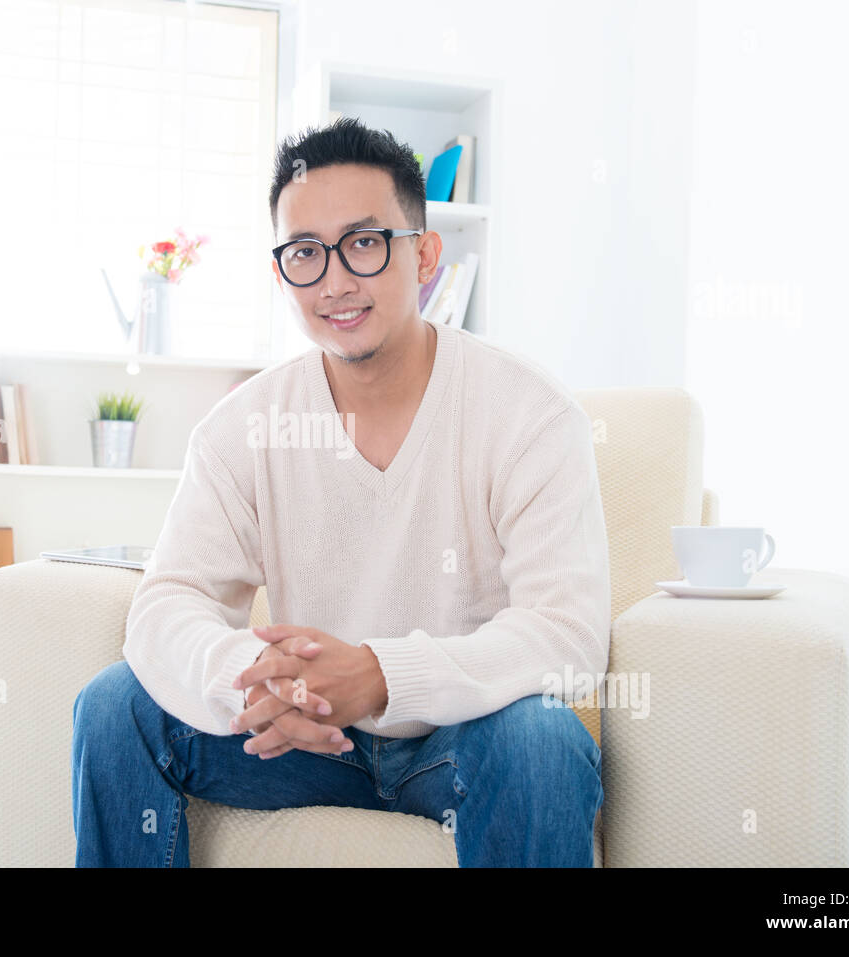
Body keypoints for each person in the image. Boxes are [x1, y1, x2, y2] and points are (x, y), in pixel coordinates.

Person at [72, 116, 611, 867]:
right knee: (113, 704)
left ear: (424, 254)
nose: (334, 279)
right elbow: (167, 605)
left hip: (462, 738)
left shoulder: (529, 413)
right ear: (281, 270)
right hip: (303, 739)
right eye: (304, 253)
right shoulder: (243, 427)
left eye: (363, 242)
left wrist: (383, 676)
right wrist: (253, 683)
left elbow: (568, 636)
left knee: (543, 738)